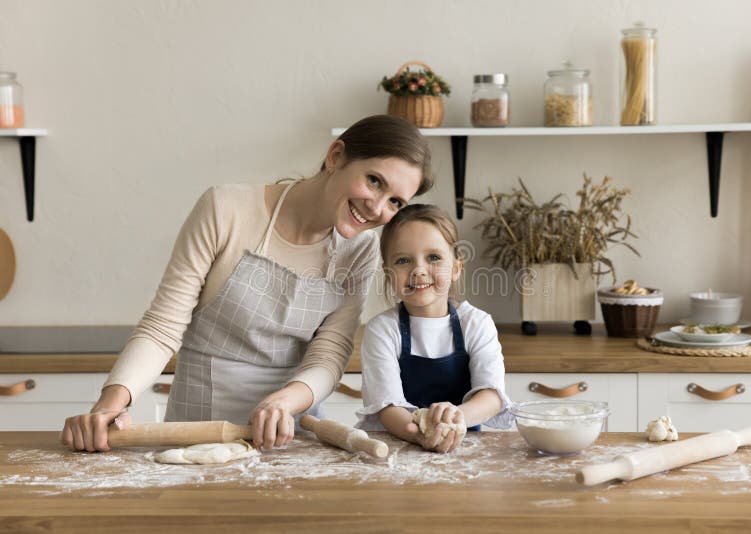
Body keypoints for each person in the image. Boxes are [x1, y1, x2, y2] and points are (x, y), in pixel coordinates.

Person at [61, 115, 433, 453]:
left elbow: (331, 351)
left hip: (289, 438)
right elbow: (163, 327)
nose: (376, 208)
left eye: (395, 202)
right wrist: (113, 401)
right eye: (373, 181)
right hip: (197, 433)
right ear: (336, 156)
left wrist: (285, 402)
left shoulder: (361, 251)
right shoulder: (226, 210)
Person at [356, 204, 513, 453]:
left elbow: (491, 396)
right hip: (396, 452)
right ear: (388, 274)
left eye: (434, 258)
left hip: (462, 454)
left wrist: (456, 417)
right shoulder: (383, 330)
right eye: (403, 260)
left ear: (456, 269)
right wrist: (421, 434)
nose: (418, 270)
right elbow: (387, 408)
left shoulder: (476, 324)